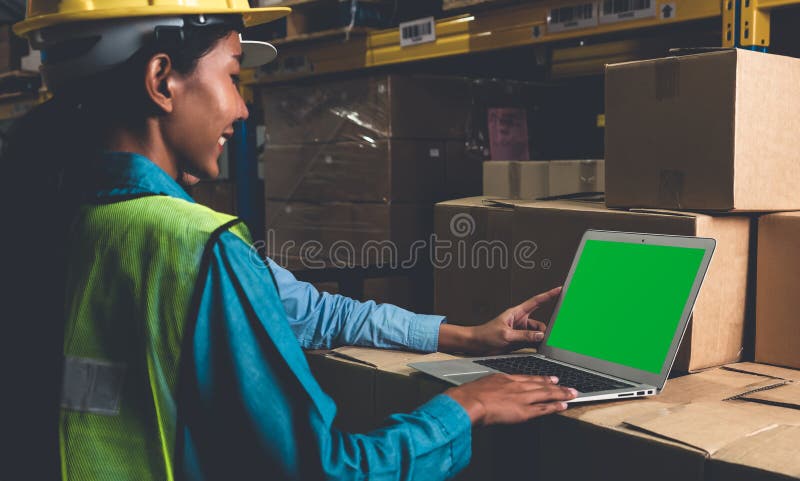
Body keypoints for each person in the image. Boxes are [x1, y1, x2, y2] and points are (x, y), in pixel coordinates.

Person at [4, 2, 577, 480]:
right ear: (162, 80)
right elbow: (322, 471)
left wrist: (465, 337)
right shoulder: (197, 246)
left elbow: (306, 309)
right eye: (232, 76)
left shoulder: (51, 215)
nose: (242, 108)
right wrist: (464, 407)